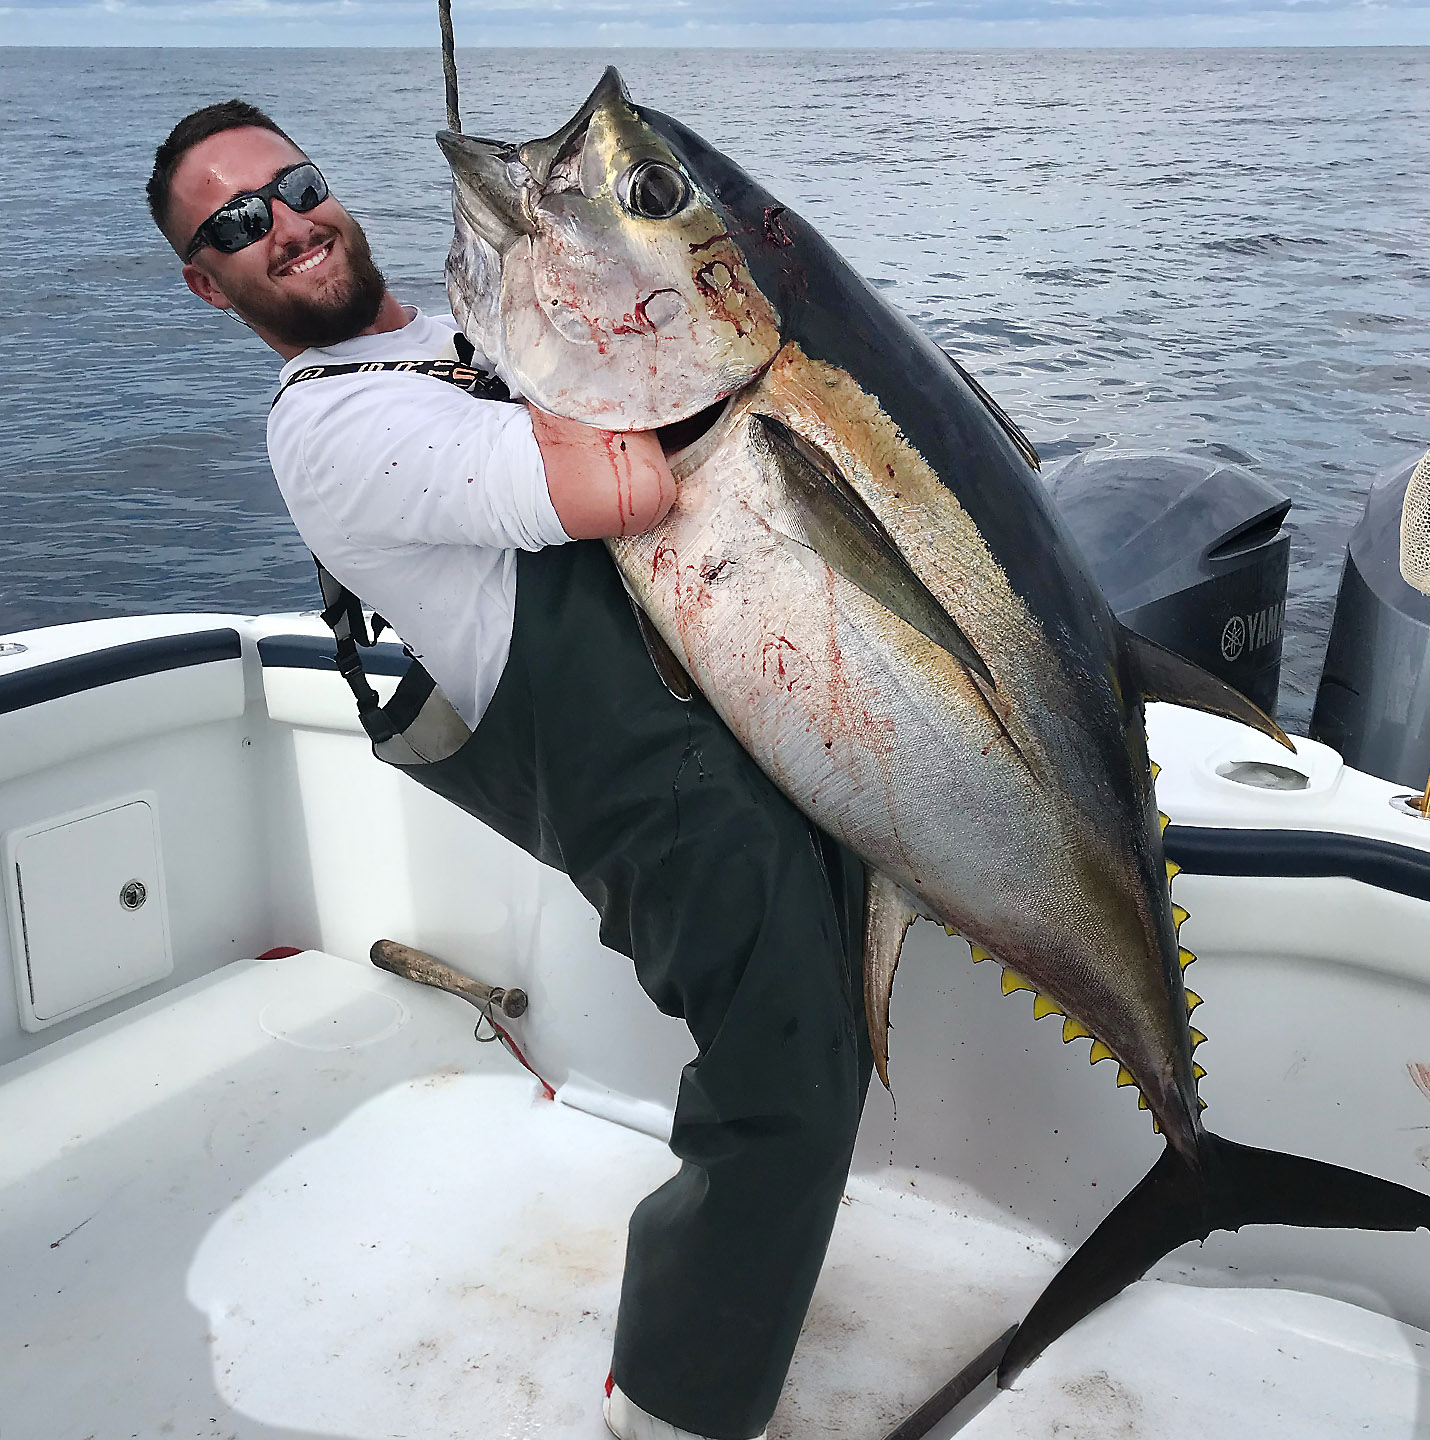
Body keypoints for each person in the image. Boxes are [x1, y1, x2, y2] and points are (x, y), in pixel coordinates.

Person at [148, 100, 871, 1440]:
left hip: (737, 704)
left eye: (294, 183)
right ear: (210, 282)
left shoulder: (445, 338)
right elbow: (630, 490)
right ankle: (669, 1406)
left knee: (830, 1030)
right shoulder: (328, 433)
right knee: (789, 1084)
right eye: (239, 222)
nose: (288, 223)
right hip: (653, 789)